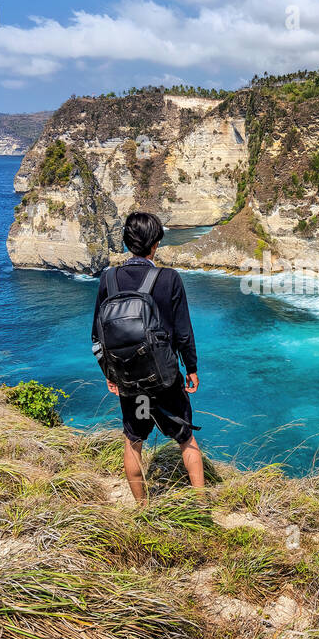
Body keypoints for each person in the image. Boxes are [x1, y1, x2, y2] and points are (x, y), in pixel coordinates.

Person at [92, 212, 205, 504]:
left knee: (134, 440)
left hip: (131, 382)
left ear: (127, 242)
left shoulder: (109, 279)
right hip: (165, 380)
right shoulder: (169, 279)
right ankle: (201, 505)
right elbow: (183, 332)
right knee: (185, 439)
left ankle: (142, 509)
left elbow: (97, 335)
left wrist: (110, 374)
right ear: (155, 244)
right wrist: (191, 368)